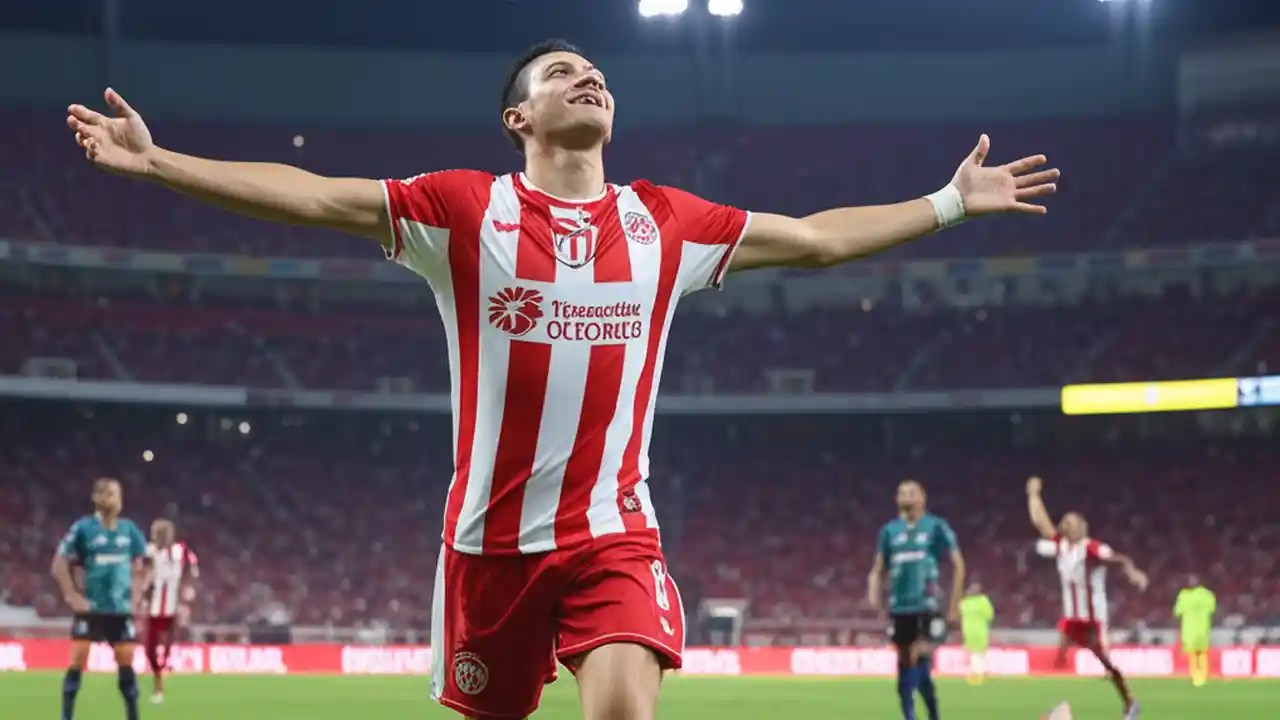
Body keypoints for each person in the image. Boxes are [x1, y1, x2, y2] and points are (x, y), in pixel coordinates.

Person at [65, 39, 1058, 720]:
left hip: (610, 535)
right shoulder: (461, 211)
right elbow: (318, 196)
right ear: (517, 115)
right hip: (486, 547)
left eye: (593, 70)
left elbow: (810, 241)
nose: (586, 76)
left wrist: (944, 203)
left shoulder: (662, 222)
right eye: (559, 72)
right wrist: (162, 166)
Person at [1026, 476, 1147, 720]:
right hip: (1072, 618)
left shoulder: (1092, 548)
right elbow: (1041, 522)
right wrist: (1033, 495)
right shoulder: (1061, 545)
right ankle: (1058, 707)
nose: (1071, 524)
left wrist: (1132, 572)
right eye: (1068, 521)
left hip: (1092, 620)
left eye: (1075, 521)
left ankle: (1130, 702)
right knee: (1059, 655)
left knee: (1105, 662)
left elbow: (1118, 558)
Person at [51, 477, 148, 720]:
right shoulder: (83, 528)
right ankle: (66, 717)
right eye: (110, 494)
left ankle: (133, 716)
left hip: (119, 609)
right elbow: (59, 562)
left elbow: (144, 564)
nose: (116, 499)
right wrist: (72, 595)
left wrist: (136, 594)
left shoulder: (129, 530)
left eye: (118, 494)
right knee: (77, 662)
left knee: (126, 664)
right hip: (91, 609)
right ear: (97, 498)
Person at [868, 480, 965, 720]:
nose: (905, 496)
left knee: (919, 654)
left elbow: (958, 564)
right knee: (906, 665)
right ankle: (926, 714)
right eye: (901, 492)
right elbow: (878, 568)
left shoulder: (936, 527)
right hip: (899, 607)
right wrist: (873, 592)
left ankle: (924, 715)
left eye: (911, 492)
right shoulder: (889, 531)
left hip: (926, 605)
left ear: (922, 497)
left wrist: (954, 605)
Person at [140, 518, 199, 704]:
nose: (158, 536)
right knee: (149, 649)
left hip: (172, 608)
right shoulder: (149, 551)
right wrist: (142, 593)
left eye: (162, 532)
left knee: (166, 644)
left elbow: (193, 565)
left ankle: (161, 678)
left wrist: (189, 587)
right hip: (153, 609)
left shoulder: (180, 550)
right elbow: (142, 572)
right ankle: (158, 677)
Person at [1173, 575, 1215, 687]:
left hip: (1189, 630)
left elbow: (1177, 611)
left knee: (1193, 654)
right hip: (1203, 628)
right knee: (1201, 653)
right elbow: (1212, 609)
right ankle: (1202, 677)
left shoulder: (1184, 595)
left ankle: (1196, 677)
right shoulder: (1208, 594)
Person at [958, 582, 994, 685]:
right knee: (977, 653)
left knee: (975, 653)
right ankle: (978, 674)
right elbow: (990, 615)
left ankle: (978, 675)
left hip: (970, 631)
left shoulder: (964, 602)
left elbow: (959, 612)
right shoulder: (983, 601)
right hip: (979, 630)